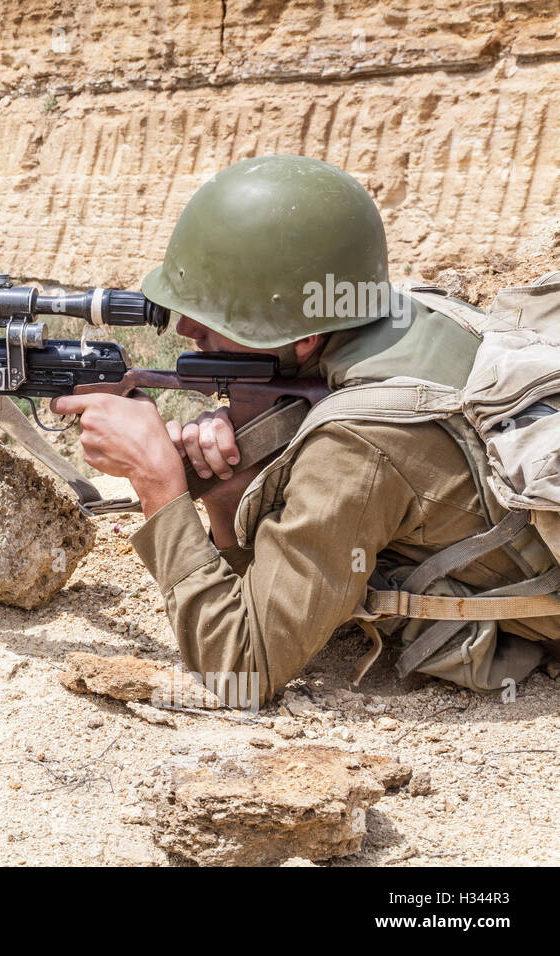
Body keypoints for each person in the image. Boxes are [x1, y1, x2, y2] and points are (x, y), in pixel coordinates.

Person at [50, 154, 560, 708]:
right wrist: (228, 497)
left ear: (302, 342)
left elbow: (240, 670)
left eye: (221, 318)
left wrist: (157, 481)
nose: (188, 329)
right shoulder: (392, 313)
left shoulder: (360, 445)